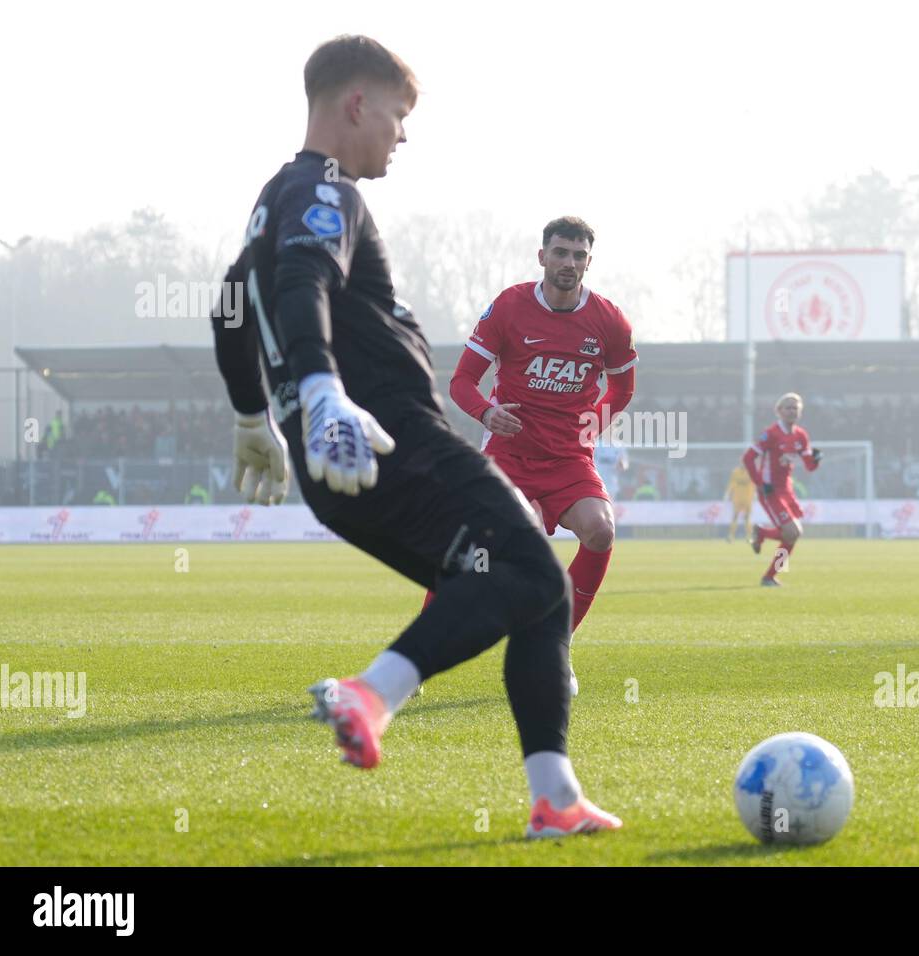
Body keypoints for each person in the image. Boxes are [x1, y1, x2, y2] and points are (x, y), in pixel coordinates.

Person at [208, 35, 619, 838]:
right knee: (535, 571)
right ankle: (372, 695)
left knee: (535, 587)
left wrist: (254, 415)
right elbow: (303, 280)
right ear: (357, 104)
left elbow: (230, 305)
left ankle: (555, 798)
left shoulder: (275, 198)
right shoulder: (326, 189)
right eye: (398, 115)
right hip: (387, 439)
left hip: (338, 466)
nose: (403, 134)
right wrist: (323, 392)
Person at [440, 216, 638, 696]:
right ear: (542, 256)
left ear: (589, 262)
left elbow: (622, 388)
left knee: (601, 530)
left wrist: (591, 427)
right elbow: (461, 381)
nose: (569, 262)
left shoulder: (609, 320)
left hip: (569, 459)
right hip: (510, 455)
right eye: (560, 252)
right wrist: (487, 413)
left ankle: (555, 646)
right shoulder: (510, 307)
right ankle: (420, 651)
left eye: (578, 255)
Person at [744, 393, 821, 586]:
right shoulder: (770, 434)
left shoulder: (801, 435)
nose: (792, 411)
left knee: (793, 534)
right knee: (792, 532)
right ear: (778, 411)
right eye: (788, 407)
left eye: (795, 408)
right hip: (770, 490)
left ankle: (769, 571)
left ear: (800, 412)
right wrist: (760, 483)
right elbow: (748, 458)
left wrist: (816, 459)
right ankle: (768, 574)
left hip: (787, 489)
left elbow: (809, 466)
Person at [723, 462, 754, 543]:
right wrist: (728, 493)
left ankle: (749, 536)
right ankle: (731, 536)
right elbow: (731, 483)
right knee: (735, 516)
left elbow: (754, 484)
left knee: (747, 517)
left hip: (748, 498)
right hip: (737, 498)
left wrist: (756, 494)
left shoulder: (751, 472)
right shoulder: (735, 472)